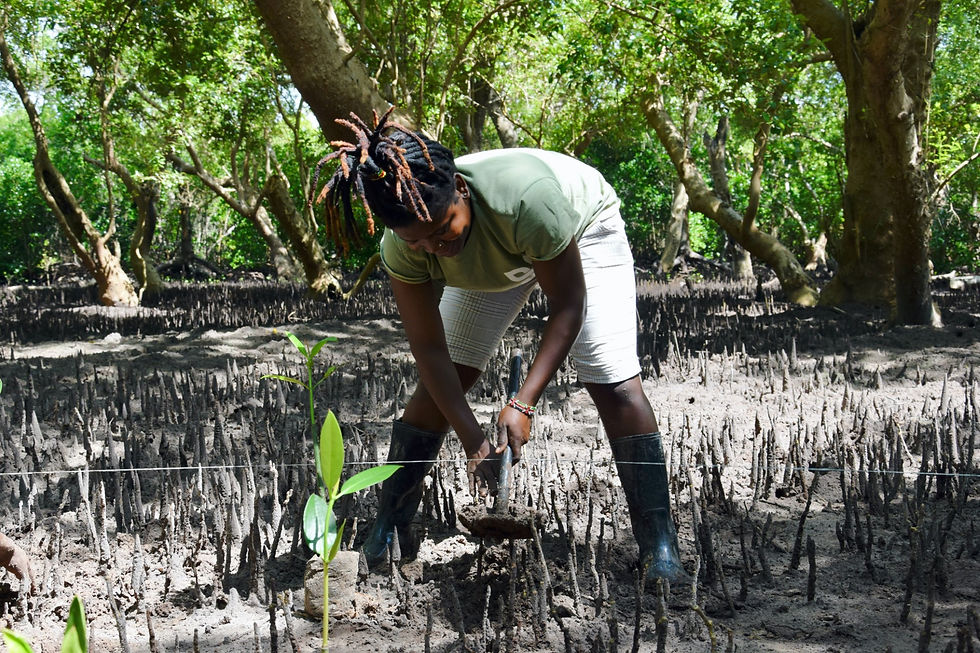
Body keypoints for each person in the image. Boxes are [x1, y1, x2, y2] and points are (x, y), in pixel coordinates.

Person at [313, 108, 687, 582]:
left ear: (461, 193)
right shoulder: (402, 246)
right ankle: (388, 526)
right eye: (419, 243)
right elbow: (429, 352)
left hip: (578, 227)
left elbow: (568, 307)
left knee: (612, 383)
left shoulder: (529, 202)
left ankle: (660, 546)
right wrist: (474, 440)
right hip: (493, 256)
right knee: (446, 380)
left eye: (442, 229)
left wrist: (523, 402)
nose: (434, 249)